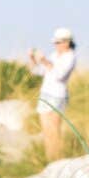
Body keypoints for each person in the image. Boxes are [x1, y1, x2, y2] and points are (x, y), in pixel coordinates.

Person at [27, 27, 77, 161]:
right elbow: (37, 71)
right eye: (55, 42)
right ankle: (50, 159)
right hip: (45, 95)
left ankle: (56, 159)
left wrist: (44, 60)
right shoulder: (54, 56)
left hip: (58, 96)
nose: (56, 45)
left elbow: (59, 75)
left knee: (54, 131)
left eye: (58, 42)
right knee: (46, 131)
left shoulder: (70, 56)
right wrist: (32, 58)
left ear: (67, 42)